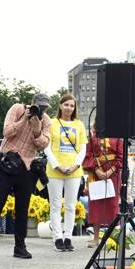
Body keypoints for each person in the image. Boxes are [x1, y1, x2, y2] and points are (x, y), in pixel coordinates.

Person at [0, 93, 52, 259]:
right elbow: (7, 132)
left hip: (27, 167)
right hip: (7, 163)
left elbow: (43, 145)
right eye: (39, 106)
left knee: (22, 208)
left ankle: (20, 246)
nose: (41, 110)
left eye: (45, 108)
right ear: (32, 103)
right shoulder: (17, 109)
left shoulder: (46, 121)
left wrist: (36, 129)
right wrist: (24, 119)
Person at [44, 93, 87, 251]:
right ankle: (57, 238)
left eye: (72, 105)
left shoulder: (79, 125)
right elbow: (46, 147)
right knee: (55, 205)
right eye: (66, 104)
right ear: (60, 106)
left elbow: (83, 149)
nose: (69, 108)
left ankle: (68, 236)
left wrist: (75, 166)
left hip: (74, 171)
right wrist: (57, 165)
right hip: (55, 170)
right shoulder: (52, 123)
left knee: (70, 205)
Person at [83, 129, 124, 247]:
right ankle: (95, 238)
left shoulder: (118, 137)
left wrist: (110, 171)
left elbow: (120, 157)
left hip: (113, 174)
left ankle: (112, 239)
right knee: (96, 205)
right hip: (96, 173)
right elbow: (88, 155)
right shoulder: (93, 135)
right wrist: (97, 170)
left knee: (112, 205)